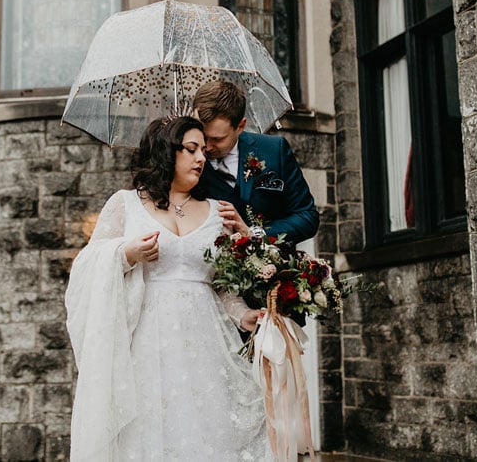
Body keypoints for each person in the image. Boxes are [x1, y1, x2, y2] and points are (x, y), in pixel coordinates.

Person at [65, 116, 273, 462]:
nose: (201, 158)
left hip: (206, 345)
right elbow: (86, 268)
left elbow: (221, 285)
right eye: (190, 149)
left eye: (204, 151)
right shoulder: (125, 204)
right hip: (145, 344)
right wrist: (126, 254)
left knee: (210, 431)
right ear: (165, 152)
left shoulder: (216, 212)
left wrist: (244, 315)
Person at [193, 80, 319, 247]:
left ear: (240, 126)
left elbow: (307, 217)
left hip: (273, 267)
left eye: (217, 139)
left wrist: (254, 234)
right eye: (202, 134)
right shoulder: (183, 158)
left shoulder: (274, 150)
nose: (207, 146)